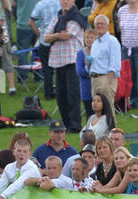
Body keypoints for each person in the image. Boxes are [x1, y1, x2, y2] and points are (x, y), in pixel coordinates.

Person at [43, 0, 83, 133]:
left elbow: (67, 36)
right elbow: (45, 38)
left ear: (73, 1)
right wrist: (58, 35)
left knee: (73, 94)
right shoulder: (57, 18)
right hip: (58, 60)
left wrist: (54, 36)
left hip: (72, 60)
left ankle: (75, 124)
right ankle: (65, 123)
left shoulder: (77, 18)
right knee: (61, 95)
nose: (65, 2)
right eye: (63, 0)